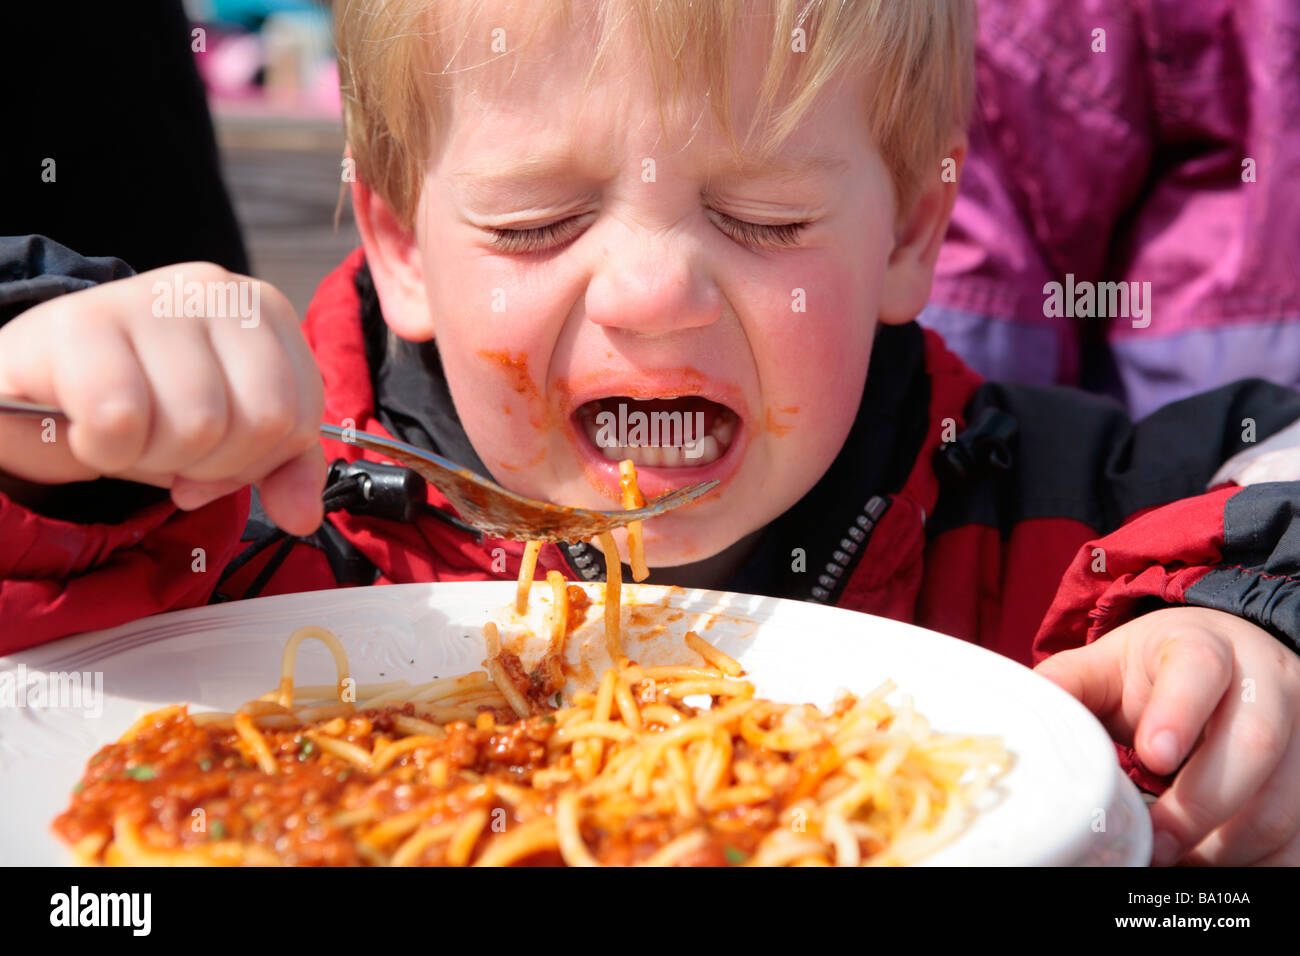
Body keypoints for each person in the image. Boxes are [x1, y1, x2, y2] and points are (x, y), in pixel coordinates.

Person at [1, 0, 1298, 866]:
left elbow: (1272, 464)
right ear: (397, 244)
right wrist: (67, 417)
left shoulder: (1042, 512)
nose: (653, 295)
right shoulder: (252, 519)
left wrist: (1254, 617)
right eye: (535, 224)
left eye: (766, 220)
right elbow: (45, 604)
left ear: (910, 229)